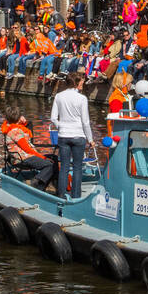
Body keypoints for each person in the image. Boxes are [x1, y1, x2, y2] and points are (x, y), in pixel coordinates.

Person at [49, 72, 93, 200]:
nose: (83, 84)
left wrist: (61, 126)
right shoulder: (82, 98)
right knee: (78, 167)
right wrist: (90, 139)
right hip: (78, 136)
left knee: (64, 167)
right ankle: (76, 196)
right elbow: (85, 122)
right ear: (76, 82)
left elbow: (53, 118)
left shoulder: (59, 96)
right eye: (81, 82)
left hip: (63, 135)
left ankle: (61, 195)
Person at [2, 108, 56, 192]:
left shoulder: (14, 127)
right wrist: (43, 158)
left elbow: (24, 129)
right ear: (18, 117)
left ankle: (51, 185)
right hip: (23, 158)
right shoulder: (15, 131)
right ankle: (34, 183)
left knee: (54, 158)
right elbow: (27, 149)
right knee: (49, 165)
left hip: (26, 155)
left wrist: (24, 122)